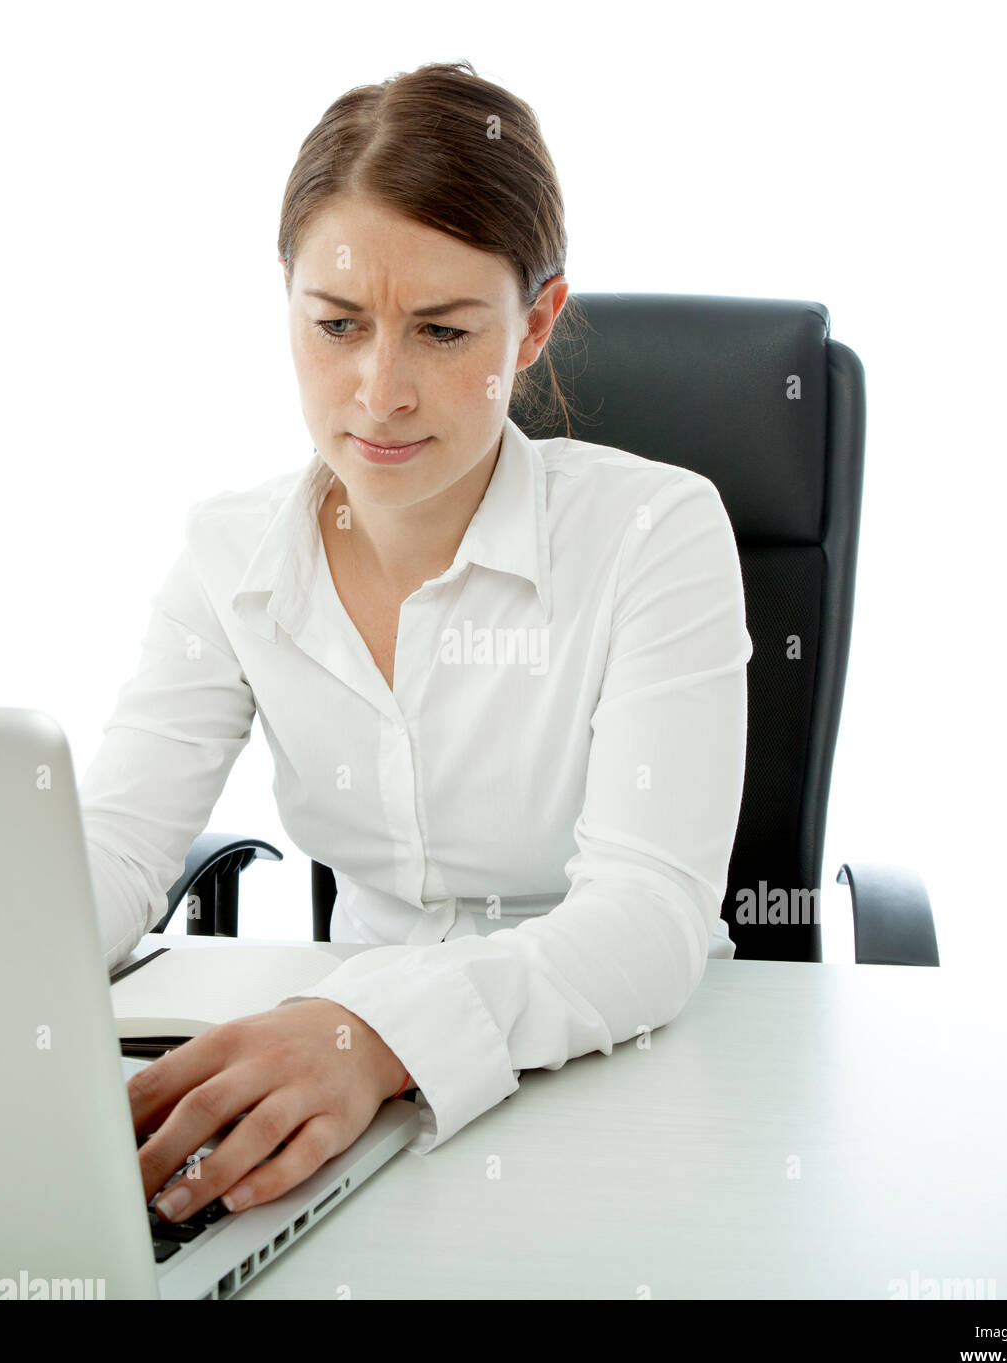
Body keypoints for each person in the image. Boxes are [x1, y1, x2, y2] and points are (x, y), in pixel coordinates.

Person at [79, 59, 752, 1225]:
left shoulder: (657, 532)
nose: (378, 391)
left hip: (629, 1070)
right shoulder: (230, 554)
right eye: (336, 325)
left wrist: (383, 1032)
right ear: (284, 300)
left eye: (441, 332)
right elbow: (120, 843)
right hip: (345, 1094)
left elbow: (649, 913)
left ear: (535, 321)